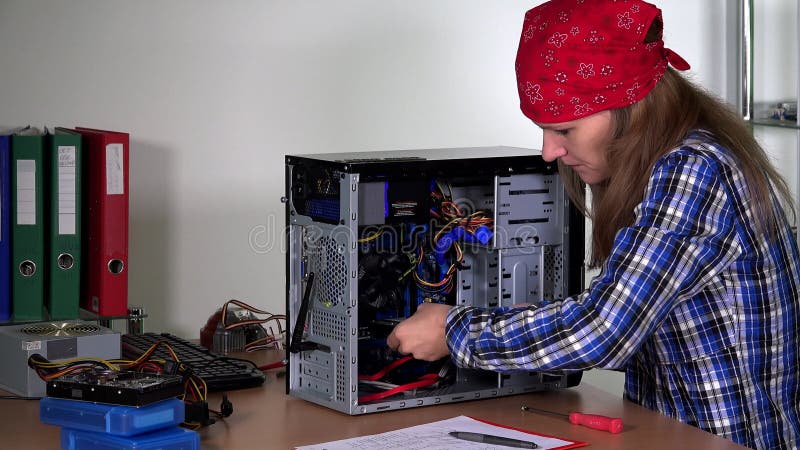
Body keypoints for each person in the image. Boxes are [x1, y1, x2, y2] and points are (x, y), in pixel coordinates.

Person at [386, 1, 800, 448]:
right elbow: (630, 329)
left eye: (564, 130)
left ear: (630, 110)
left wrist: (454, 331)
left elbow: (605, 330)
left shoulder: (695, 171)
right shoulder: (669, 162)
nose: (548, 152)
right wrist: (520, 327)